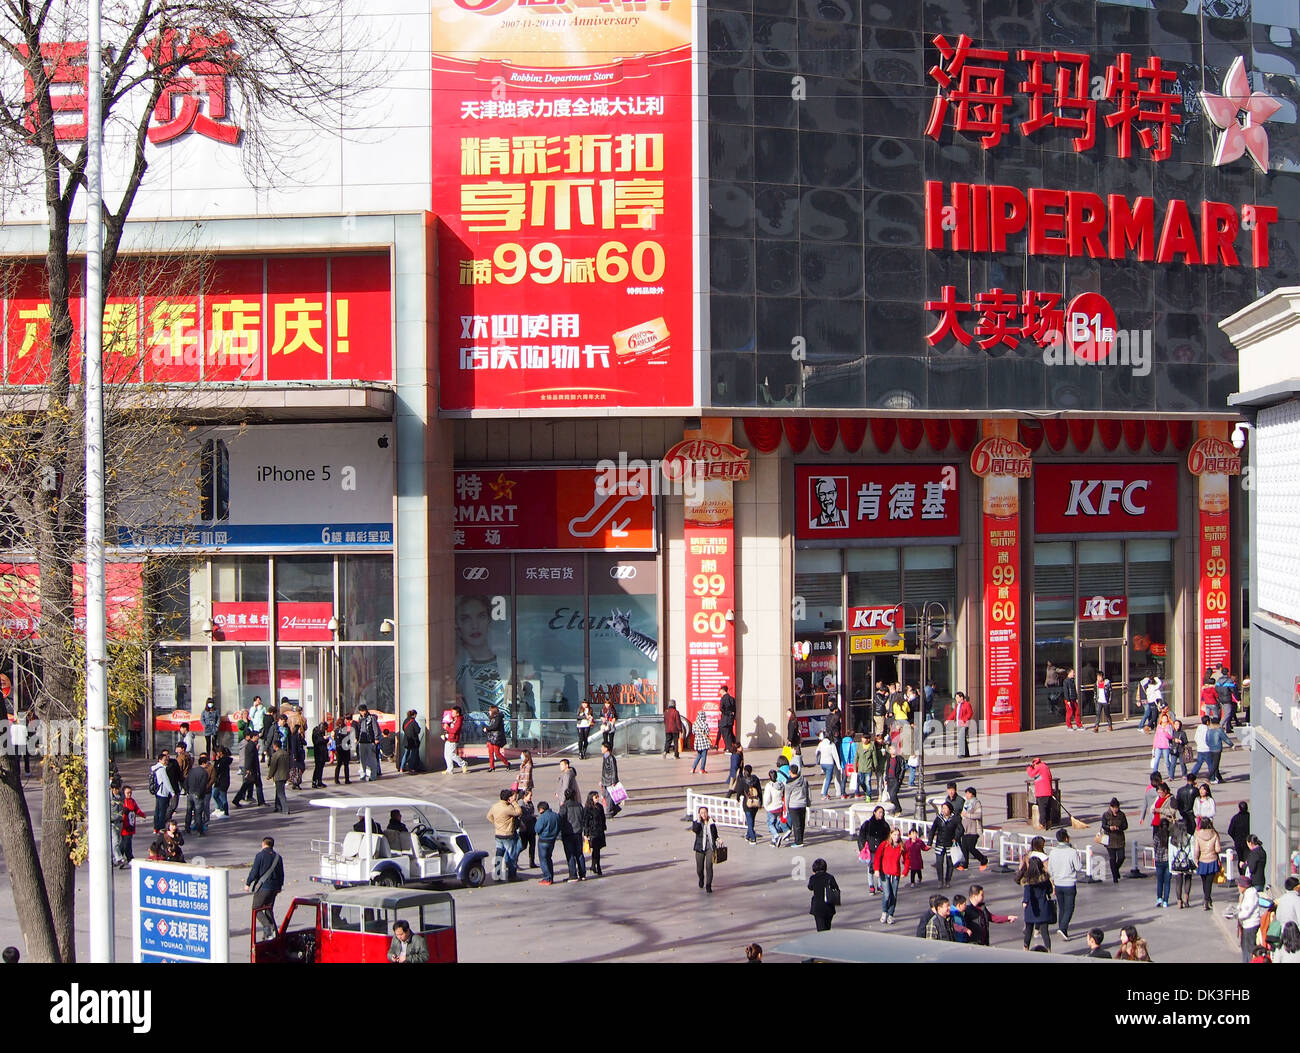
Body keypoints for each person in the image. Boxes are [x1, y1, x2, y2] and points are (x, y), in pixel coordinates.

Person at [245, 836, 284, 940]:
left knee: (256, 909)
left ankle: (268, 928)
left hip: (264, 887)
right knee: (268, 909)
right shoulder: (278, 857)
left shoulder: (260, 855)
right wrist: (279, 886)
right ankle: (272, 933)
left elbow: (254, 872)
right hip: (275, 888)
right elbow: (281, 873)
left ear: (263, 844)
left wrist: (248, 883)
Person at [1047, 829, 1082, 939]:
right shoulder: (1072, 852)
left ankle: (1063, 930)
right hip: (1069, 883)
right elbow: (1078, 867)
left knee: (1062, 908)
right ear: (1066, 838)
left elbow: (1050, 869)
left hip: (1058, 883)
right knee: (1070, 908)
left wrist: (1053, 879)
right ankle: (1062, 928)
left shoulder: (1053, 852)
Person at [1017, 853, 1054, 952]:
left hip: (1031, 907)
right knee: (1045, 931)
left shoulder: (1028, 880)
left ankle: (1026, 949)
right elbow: (1050, 890)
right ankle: (1049, 949)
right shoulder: (1045, 879)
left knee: (1029, 930)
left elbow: (1027, 893)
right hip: (1043, 905)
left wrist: (1025, 902)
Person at [872, 827, 907, 924]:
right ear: (891, 835)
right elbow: (877, 856)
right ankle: (884, 912)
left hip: (895, 873)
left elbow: (906, 858)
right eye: (894, 835)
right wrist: (876, 869)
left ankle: (891, 914)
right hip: (885, 872)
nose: (896, 837)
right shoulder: (885, 844)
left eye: (898, 835)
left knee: (894, 895)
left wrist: (905, 871)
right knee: (887, 894)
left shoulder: (901, 846)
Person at [487, 789, 522, 882]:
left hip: (498, 834)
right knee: (512, 856)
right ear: (508, 798)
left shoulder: (495, 806)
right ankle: (512, 876)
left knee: (499, 855)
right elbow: (518, 812)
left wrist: (496, 823)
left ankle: (497, 875)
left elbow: (489, 816)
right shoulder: (508, 808)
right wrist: (514, 802)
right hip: (507, 835)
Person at [857, 805, 891, 894]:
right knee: (871, 867)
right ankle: (871, 885)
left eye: (882, 813)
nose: (881, 814)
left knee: (880, 867)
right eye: (879, 812)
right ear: (874, 813)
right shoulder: (867, 824)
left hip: (881, 849)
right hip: (871, 849)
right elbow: (861, 836)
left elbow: (888, 837)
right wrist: (862, 847)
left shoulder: (884, 825)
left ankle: (880, 885)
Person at [930, 801, 963, 888]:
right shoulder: (938, 818)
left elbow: (961, 829)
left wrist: (956, 838)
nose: (944, 810)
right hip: (940, 843)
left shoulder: (955, 819)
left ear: (950, 809)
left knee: (950, 863)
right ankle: (940, 880)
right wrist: (929, 842)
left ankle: (948, 880)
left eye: (945, 808)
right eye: (943, 808)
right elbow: (933, 830)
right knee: (939, 862)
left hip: (950, 844)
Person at [1195, 817, 1222, 910]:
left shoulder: (1198, 835)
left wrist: (1196, 859)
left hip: (1202, 860)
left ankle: (1207, 899)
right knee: (1209, 883)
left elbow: (1196, 850)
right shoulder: (1214, 834)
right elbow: (1218, 849)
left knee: (1204, 882)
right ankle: (1207, 899)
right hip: (1212, 860)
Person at [559, 789, 586, 882]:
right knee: (579, 854)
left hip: (568, 833)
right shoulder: (579, 805)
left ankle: (573, 874)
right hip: (578, 832)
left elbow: (561, 819)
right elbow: (583, 817)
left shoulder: (564, 807)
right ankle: (583, 874)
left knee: (570, 855)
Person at [960, 786, 990, 871]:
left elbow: (978, 815)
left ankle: (983, 859)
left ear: (972, 794)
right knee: (964, 847)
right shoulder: (966, 803)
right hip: (965, 829)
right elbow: (963, 813)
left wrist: (967, 815)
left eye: (968, 793)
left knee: (971, 847)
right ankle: (965, 864)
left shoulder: (976, 803)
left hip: (974, 829)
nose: (966, 795)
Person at [1099, 798, 1127, 884]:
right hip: (1110, 839)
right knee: (1112, 858)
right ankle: (1115, 876)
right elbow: (1103, 825)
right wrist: (1109, 827)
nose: (1115, 809)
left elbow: (1125, 825)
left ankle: (1116, 869)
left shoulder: (1121, 815)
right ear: (1110, 807)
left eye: (1116, 807)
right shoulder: (1106, 815)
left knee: (1121, 857)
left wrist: (1118, 828)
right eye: (1113, 807)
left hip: (1119, 839)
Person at [1170, 819, 1196, 909]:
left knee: (1178, 882)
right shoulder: (1190, 837)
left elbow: (1171, 853)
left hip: (1177, 862)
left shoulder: (1172, 839)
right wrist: (1194, 862)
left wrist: (1171, 865)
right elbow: (1192, 852)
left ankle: (1179, 901)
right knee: (1188, 879)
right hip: (1187, 861)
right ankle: (1186, 898)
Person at [807, 858, 840, 932]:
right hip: (829, 907)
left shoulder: (813, 878)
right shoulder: (830, 877)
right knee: (828, 928)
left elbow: (810, 887)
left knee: (821, 930)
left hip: (818, 908)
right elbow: (836, 888)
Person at [118, 785, 147, 865]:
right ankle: (127, 857)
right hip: (124, 826)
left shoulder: (132, 801)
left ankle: (121, 857)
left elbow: (137, 809)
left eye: (130, 793)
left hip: (131, 825)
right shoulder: (122, 801)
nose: (129, 794)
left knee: (127, 842)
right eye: (128, 793)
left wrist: (142, 814)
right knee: (125, 843)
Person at [692, 805, 719, 893]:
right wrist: (699, 821)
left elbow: (715, 833)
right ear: (699, 814)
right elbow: (695, 830)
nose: (704, 814)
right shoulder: (697, 822)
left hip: (710, 847)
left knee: (709, 866)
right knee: (699, 868)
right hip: (700, 848)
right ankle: (701, 878)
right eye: (702, 813)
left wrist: (718, 839)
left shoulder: (711, 822)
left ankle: (708, 885)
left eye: (705, 812)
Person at [148, 749, 175, 834]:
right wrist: (172, 792)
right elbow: (166, 782)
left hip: (157, 791)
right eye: (164, 760)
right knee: (162, 811)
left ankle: (156, 828)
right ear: (159, 760)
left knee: (157, 810)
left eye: (166, 760)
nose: (166, 762)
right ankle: (161, 827)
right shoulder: (162, 769)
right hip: (163, 792)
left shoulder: (154, 768)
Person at [533, 801, 561, 885]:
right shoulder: (556, 815)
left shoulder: (542, 818)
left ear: (541, 809)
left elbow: (537, 829)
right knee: (549, 859)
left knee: (543, 860)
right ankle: (550, 877)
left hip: (543, 841)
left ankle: (547, 878)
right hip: (552, 840)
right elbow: (559, 826)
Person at [184, 754, 212, 835]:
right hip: (198, 795)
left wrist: (187, 790)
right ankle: (200, 830)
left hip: (190, 793)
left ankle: (187, 828)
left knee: (189, 811)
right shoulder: (204, 773)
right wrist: (200, 794)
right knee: (198, 813)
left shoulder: (192, 770)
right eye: (207, 762)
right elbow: (203, 785)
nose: (208, 764)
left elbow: (186, 781)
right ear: (204, 763)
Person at [1236, 877, 1262, 963]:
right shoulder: (1244, 894)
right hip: (1245, 926)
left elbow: (1246, 913)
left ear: (1244, 886)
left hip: (1251, 926)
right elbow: (1240, 908)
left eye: (1239, 885)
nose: (1238, 887)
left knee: (1250, 949)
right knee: (1244, 948)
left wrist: (1236, 915)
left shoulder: (1251, 895)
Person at [784, 764, 810, 847]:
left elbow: (787, 796)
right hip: (802, 803)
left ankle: (798, 842)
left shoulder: (789, 783)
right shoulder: (803, 780)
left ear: (790, 771)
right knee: (802, 823)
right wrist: (808, 802)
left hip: (793, 805)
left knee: (796, 824)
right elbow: (807, 791)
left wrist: (786, 806)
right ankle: (801, 839)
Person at [583, 790, 608, 877]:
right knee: (596, 849)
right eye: (596, 797)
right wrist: (586, 834)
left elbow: (603, 818)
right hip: (592, 831)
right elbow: (585, 821)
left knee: (597, 850)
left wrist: (604, 827)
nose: (597, 799)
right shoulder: (587, 808)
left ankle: (594, 866)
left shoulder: (600, 807)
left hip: (599, 831)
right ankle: (597, 866)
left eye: (598, 797)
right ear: (591, 798)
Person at [354, 705, 382, 782]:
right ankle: (362, 775)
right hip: (362, 741)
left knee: (372, 759)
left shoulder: (371, 718)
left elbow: (375, 728)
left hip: (370, 741)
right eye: (361, 711)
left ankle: (373, 775)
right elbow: (359, 729)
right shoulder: (360, 718)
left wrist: (376, 738)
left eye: (363, 711)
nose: (362, 713)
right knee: (362, 760)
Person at [763, 769, 790, 847]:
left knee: (770, 824)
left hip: (772, 807)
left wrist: (766, 806)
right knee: (776, 823)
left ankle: (776, 836)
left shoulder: (769, 786)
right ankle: (773, 841)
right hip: (780, 806)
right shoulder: (781, 784)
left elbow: (767, 798)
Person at [738, 764, 762, 844]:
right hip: (755, 802)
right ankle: (748, 835)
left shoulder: (743, 780)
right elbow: (759, 791)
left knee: (749, 820)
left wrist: (738, 798)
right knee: (752, 820)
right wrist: (760, 801)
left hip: (747, 803)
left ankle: (753, 838)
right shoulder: (756, 779)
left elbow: (739, 791)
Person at [815, 731, 843, 800]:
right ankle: (824, 794)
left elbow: (816, 752)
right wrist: (839, 766)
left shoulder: (821, 744)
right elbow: (835, 756)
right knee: (828, 778)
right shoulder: (831, 744)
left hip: (822, 763)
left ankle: (824, 792)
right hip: (829, 763)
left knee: (828, 778)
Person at [441, 705, 467, 774]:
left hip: (453, 739)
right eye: (451, 712)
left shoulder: (459, 720)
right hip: (448, 738)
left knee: (452, 754)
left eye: (453, 712)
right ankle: (449, 769)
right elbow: (446, 726)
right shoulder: (452, 719)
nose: (452, 713)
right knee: (446, 755)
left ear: (457, 713)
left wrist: (447, 728)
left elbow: (455, 730)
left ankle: (463, 763)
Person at [484, 705, 510, 772]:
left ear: (493, 711)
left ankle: (507, 763)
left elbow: (495, 726)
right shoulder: (492, 717)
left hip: (496, 737)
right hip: (491, 737)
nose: (489, 712)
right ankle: (492, 767)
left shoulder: (498, 717)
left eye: (490, 710)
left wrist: (487, 728)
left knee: (497, 753)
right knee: (490, 752)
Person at [1205, 718, 1230, 784]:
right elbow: (1225, 738)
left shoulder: (1209, 730)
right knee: (1215, 765)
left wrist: (1209, 746)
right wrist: (1231, 745)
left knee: (1215, 764)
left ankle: (1220, 778)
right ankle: (1208, 778)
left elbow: (1206, 740)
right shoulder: (1219, 730)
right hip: (1217, 750)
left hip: (1210, 749)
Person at [516, 789, 537, 870]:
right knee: (522, 845)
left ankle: (532, 862)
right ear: (525, 796)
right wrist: (531, 817)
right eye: (530, 796)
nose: (531, 797)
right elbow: (521, 817)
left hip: (531, 828)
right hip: (524, 828)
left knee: (532, 846)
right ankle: (514, 859)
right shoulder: (520, 804)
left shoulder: (530, 803)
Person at [1227, 801, 1251, 873]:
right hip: (1248, 842)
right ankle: (1247, 873)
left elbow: (1230, 831)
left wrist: (1235, 838)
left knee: (1240, 859)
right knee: (1247, 858)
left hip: (1239, 842)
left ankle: (1242, 874)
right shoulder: (1250, 817)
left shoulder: (1235, 818)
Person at [600, 741, 621, 816]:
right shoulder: (605, 756)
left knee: (609, 796)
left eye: (602, 747)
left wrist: (614, 781)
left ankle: (609, 812)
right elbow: (604, 770)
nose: (601, 748)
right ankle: (615, 808)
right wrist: (602, 780)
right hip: (605, 779)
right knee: (605, 795)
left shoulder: (611, 758)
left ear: (606, 748)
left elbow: (613, 770)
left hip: (609, 780)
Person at [883, 743, 905, 814]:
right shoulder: (889, 759)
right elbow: (887, 769)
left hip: (896, 779)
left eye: (893, 749)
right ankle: (895, 809)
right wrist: (886, 779)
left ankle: (898, 809)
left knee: (893, 794)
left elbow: (902, 769)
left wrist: (900, 778)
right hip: (889, 779)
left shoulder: (899, 759)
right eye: (890, 749)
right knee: (890, 795)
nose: (891, 750)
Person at [1151, 712, 1174, 777]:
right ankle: (1154, 775)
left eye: (1166, 718)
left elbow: (1171, 736)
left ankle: (1170, 773)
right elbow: (1156, 737)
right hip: (1158, 746)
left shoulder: (1169, 726)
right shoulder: (1159, 726)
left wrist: (1166, 733)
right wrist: (1154, 747)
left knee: (1167, 761)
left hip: (1165, 746)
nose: (1164, 719)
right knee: (1156, 760)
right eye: (1163, 718)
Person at [952, 691, 973, 759]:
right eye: (956, 698)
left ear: (961, 697)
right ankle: (966, 753)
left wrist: (964, 720)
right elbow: (953, 713)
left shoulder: (966, 704)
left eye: (957, 697)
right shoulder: (957, 705)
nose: (956, 699)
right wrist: (948, 720)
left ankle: (962, 753)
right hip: (959, 724)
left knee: (961, 738)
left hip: (964, 724)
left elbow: (970, 713)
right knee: (963, 738)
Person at [689, 708, 710, 773]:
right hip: (704, 742)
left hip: (697, 742)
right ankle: (702, 769)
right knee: (704, 756)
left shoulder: (695, 723)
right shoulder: (704, 724)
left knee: (699, 755)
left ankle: (693, 768)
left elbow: (693, 732)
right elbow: (707, 732)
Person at [334, 717, 355, 783]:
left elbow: (336, 739)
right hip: (345, 748)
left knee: (338, 764)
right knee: (346, 764)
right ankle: (347, 779)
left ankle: (336, 779)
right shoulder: (345, 730)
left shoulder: (336, 730)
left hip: (339, 748)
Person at [717, 684, 737, 751]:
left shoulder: (724, 698)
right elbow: (734, 710)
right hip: (730, 720)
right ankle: (736, 745)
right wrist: (732, 716)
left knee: (726, 735)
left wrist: (723, 712)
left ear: (723, 690)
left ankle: (729, 748)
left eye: (720, 690)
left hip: (725, 720)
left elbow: (722, 709)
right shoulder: (732, 698)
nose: (719, 692)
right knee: (730, 733)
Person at [310, 720, 329, 788]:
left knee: (321, 767)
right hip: (318, 751)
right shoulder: (316, 731)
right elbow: (316, 741)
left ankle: (319, 781)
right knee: (318, 767)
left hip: (323, 750)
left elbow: (325, 741)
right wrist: (323, 738)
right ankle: (314, 781)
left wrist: (326, 739)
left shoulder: (322, 731)